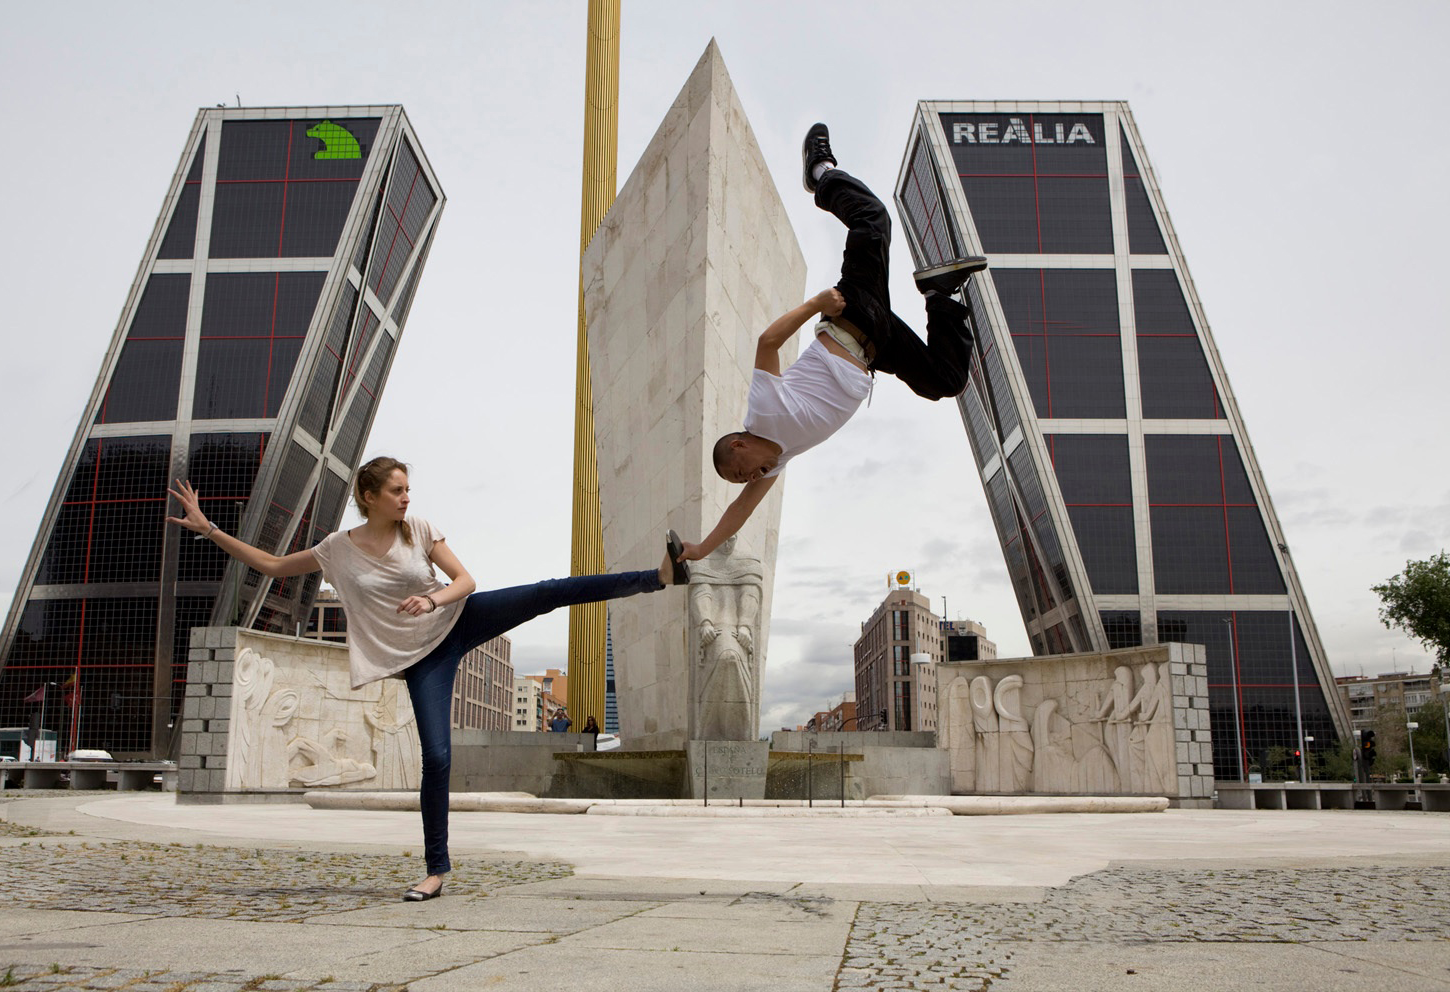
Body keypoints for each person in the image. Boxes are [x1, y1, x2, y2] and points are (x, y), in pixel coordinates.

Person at [166, 457, 691, 902]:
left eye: (408, 489)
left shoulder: (417, 529)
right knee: (437, 758)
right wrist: (210, 528)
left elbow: (466, 580)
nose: (406, 497)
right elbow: (273, 565)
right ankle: (436, 870)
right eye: (396, 490)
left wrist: (433, 598)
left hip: (457, 619)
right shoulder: (336, 549)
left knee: (545, 591)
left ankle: (656, 577)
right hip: (421, 660)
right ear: (368, 496)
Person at [677, 123, 985, 562]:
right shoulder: (776, 461)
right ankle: (939, 293)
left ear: (741, 444)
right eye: (747, 479)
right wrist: (702, 548)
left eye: (743, 471)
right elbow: (740, 511)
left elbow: (767, 342)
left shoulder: (762, 413)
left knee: (873, 220)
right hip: (876, 348)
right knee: (945, 380)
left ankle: (820, 172)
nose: (752, 478)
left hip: (850, 314)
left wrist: (815, 303)